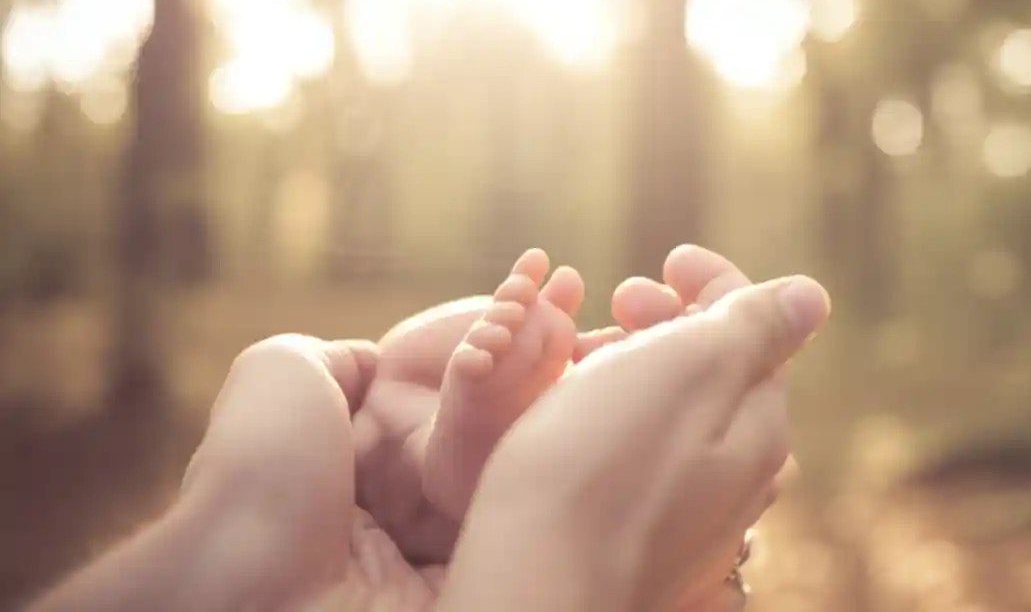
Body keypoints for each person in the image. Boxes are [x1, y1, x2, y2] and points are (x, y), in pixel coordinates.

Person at [31, 245, 830, 611]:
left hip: (367, 533)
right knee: (414, 423)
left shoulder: (279, 529)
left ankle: (440, 458)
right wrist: (564, 548)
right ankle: (445, 453)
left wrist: (225, 540)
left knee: (409, 432)